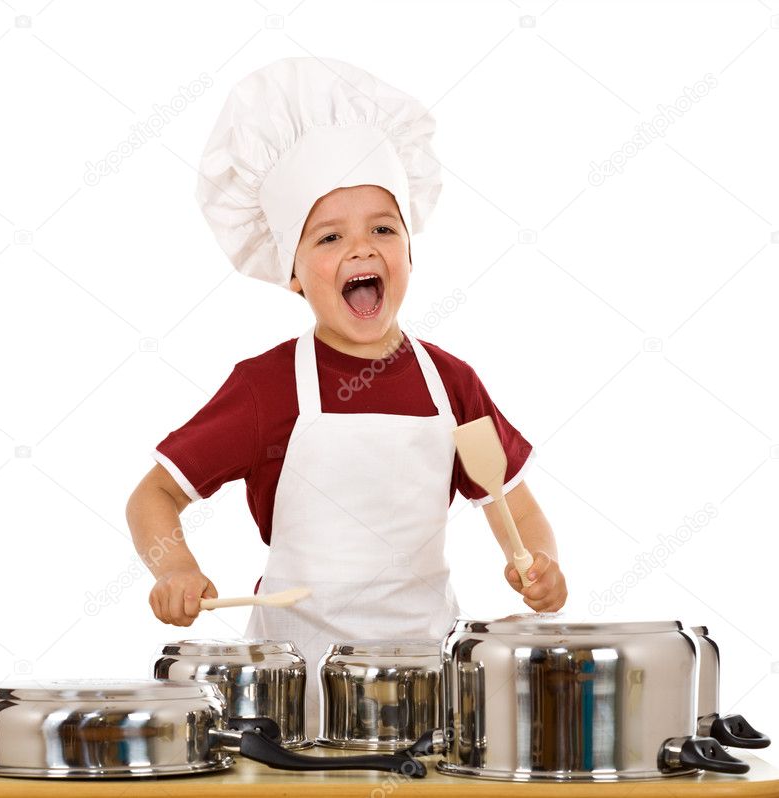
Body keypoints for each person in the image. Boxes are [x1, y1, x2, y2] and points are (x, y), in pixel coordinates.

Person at [126, 57, 567, 737]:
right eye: (329, 236)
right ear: (292, 273)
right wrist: (175, 568)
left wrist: (539, 565)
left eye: (383, 229)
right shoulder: (263, 387)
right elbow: (152, 496)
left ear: (409, 254)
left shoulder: (450, 383)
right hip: (288, 699)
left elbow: (512, 504)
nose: (361, 246)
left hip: (422, 689)